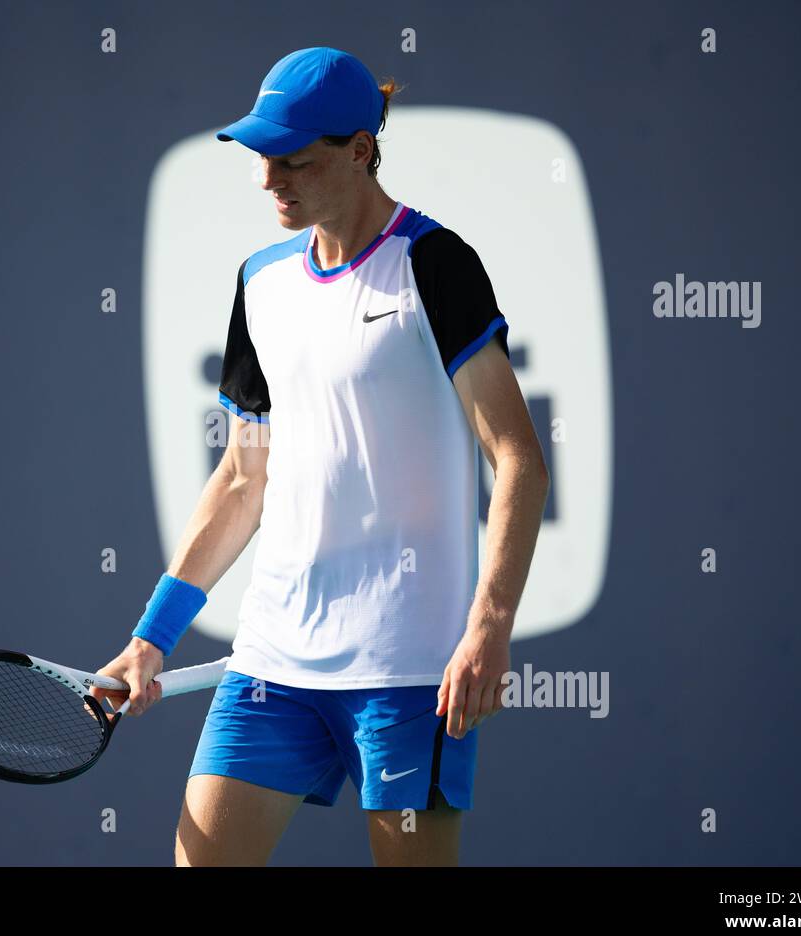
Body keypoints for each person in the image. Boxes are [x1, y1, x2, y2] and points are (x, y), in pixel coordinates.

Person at [95, 46, 549, 866]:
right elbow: (242, 477)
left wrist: (489, 627)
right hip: (271, 665)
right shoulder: (260, 281)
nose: (271, 182)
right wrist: (152, 637)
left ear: (361, 151)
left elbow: (517, 458)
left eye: (296, 161)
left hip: (411, 673)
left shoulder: (435, 265)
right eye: (264, 160)